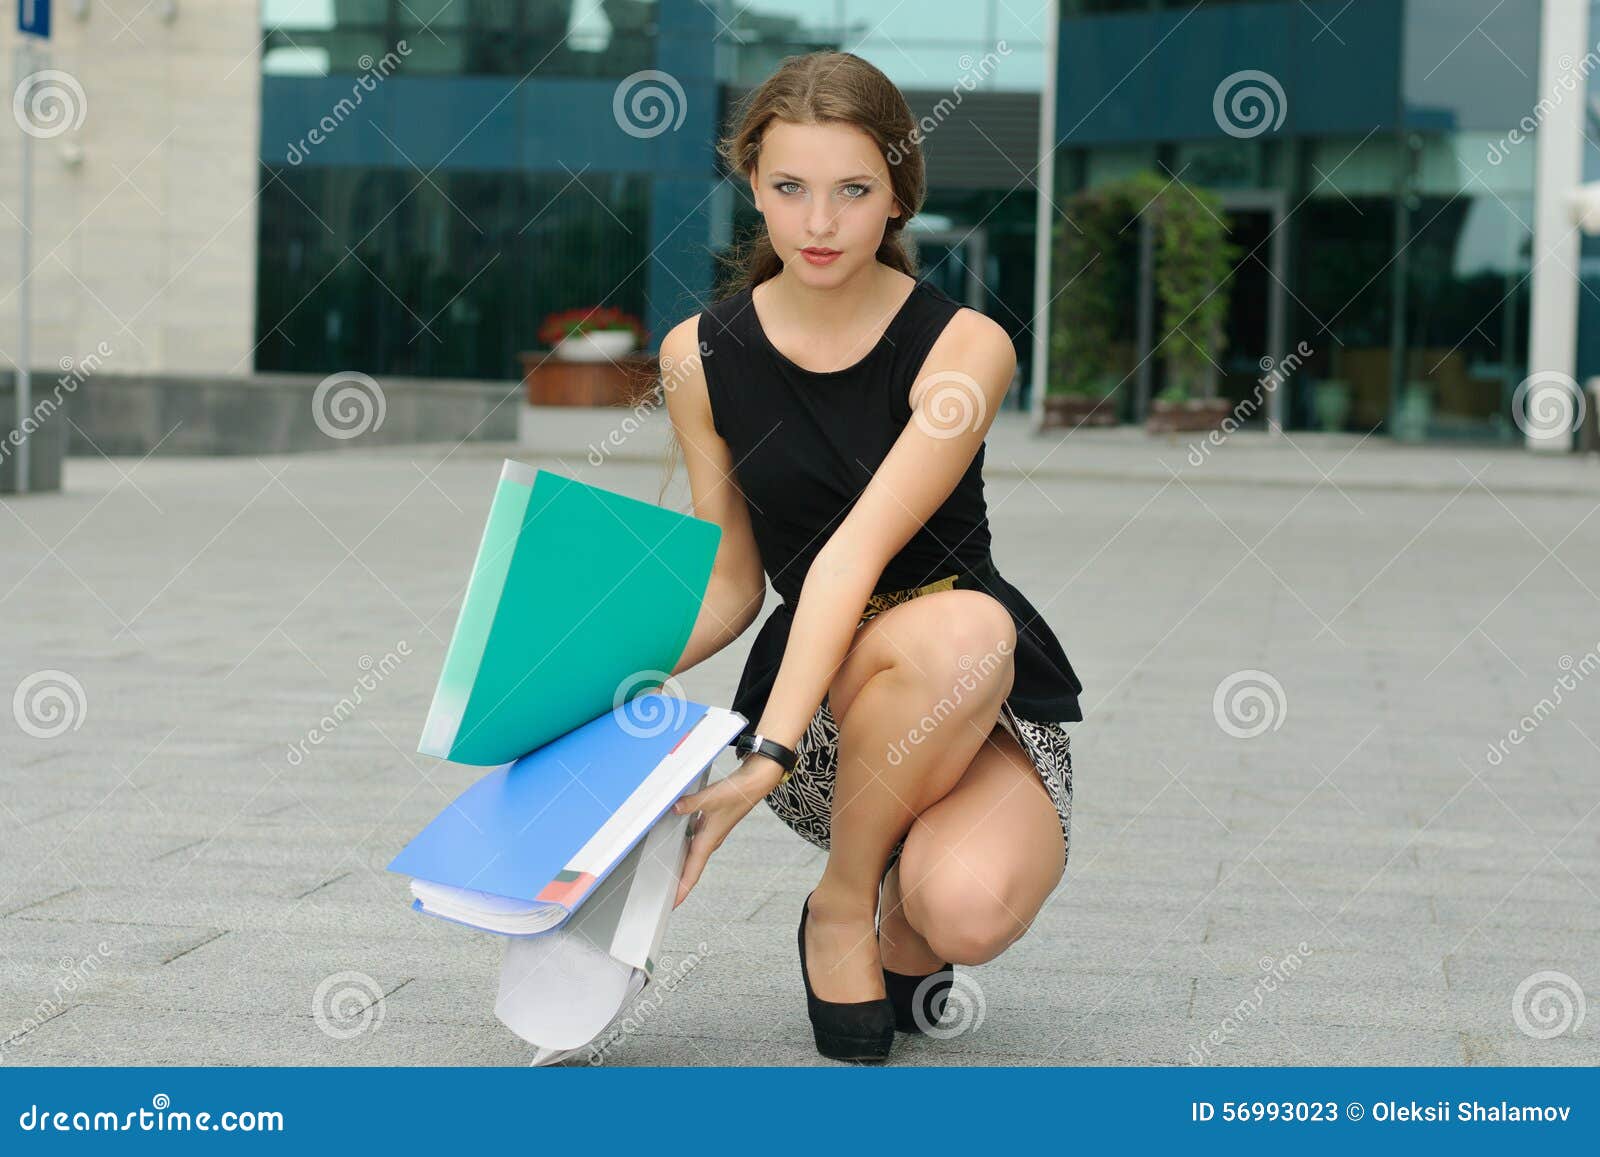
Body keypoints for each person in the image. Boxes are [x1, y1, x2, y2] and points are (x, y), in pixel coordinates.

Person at [655, 50, 1084, 1064]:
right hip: (824, 715)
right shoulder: (697, 356)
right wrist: (587, 680)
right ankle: (844, 902)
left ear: (896, 194)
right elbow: (730, 582)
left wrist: (754, 761)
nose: (818, 223)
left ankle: (873, 905)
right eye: (790, 188)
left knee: (967, 910)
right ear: (751, 182)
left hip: (974, 685)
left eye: (852, 190)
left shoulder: (964, 344)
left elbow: (855, 552)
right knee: (952, 634)